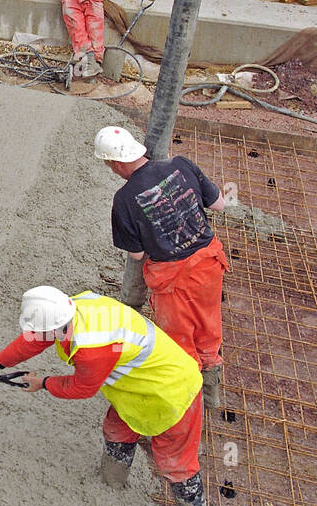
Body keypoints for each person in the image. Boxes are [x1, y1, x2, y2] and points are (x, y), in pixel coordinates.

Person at [0, 286, 208, 506]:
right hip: (137, 388)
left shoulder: (93, 348)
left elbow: (81, 388)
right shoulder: (71, 309)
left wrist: (44, 384)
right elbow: (34, 338)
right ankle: (113, 479)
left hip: (172, 390)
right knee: (116, 430)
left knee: (175, 461)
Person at [95, 126, 230, 406]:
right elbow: (219, 204)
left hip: (172, 279)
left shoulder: (124, 199)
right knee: (208, 324)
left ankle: (187, 403)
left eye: (110, 166)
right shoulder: (181, 164)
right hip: (209, 263)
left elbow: (136, 255)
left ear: (116, 163)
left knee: (179, 343)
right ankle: (212, 390)